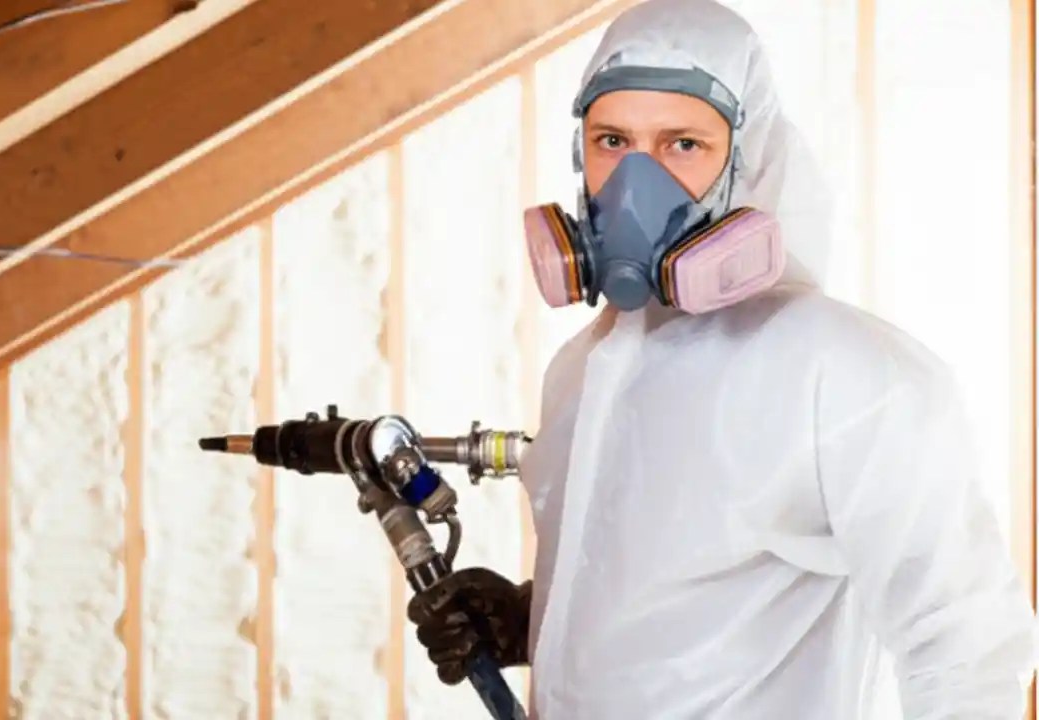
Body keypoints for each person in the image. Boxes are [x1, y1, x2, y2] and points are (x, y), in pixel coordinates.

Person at [407, 0, 1039, 717]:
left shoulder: (848, 376)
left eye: (683, 145)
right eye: (612, 140)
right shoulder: (581, 372)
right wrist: (527, 620)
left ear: (750, 160)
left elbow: (963, 650)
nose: (633, 187)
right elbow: (661, 609)